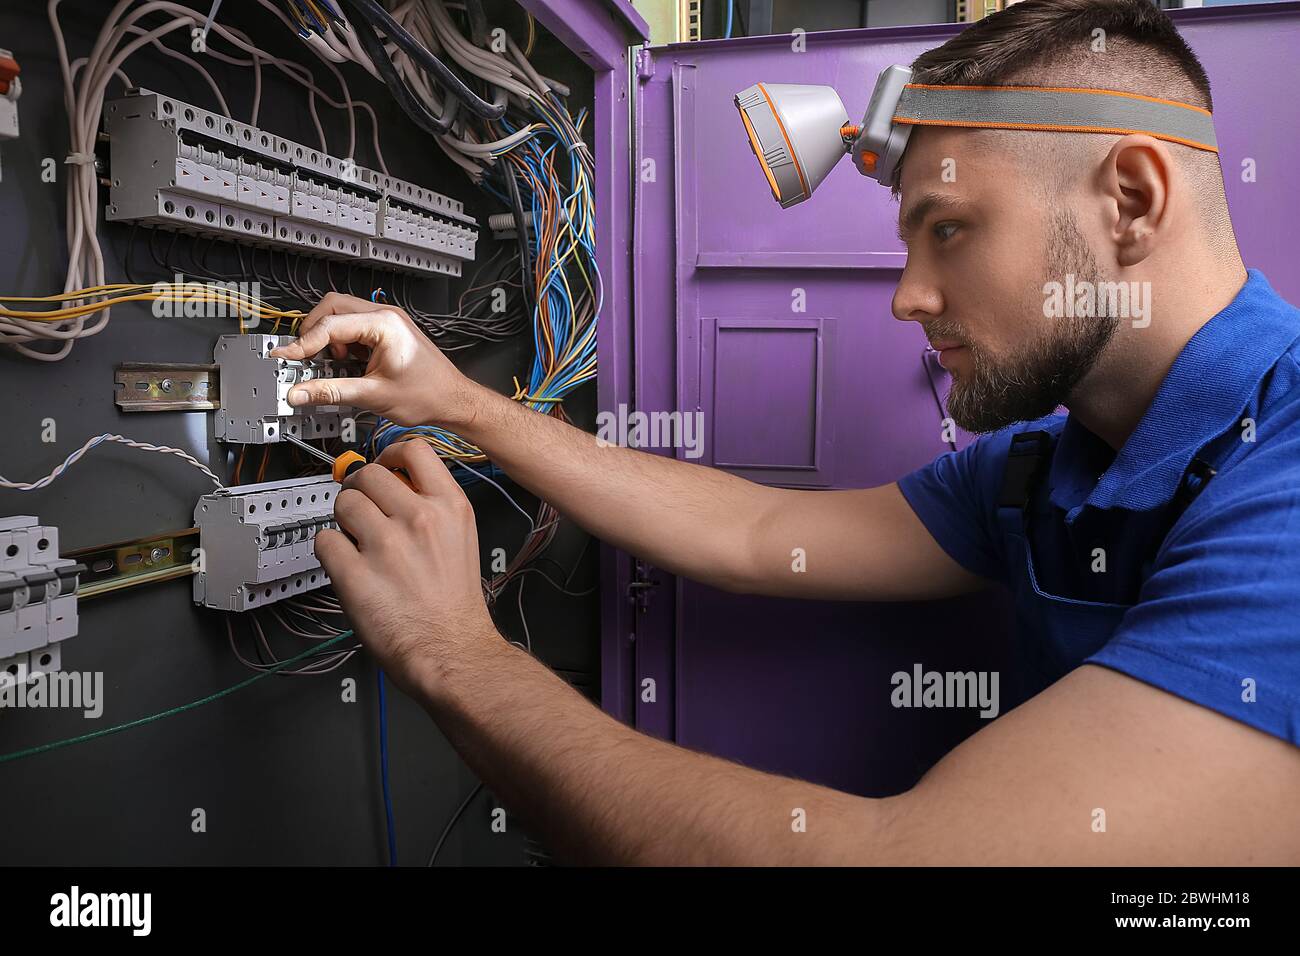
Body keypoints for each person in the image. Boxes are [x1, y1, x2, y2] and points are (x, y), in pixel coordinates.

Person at [270, 0, 1300, 864]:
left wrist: (450, 652)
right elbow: (759, 533)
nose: (908, 296)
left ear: (1130, 198)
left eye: (947, 228)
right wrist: (457, 400)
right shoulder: (1046, 465)